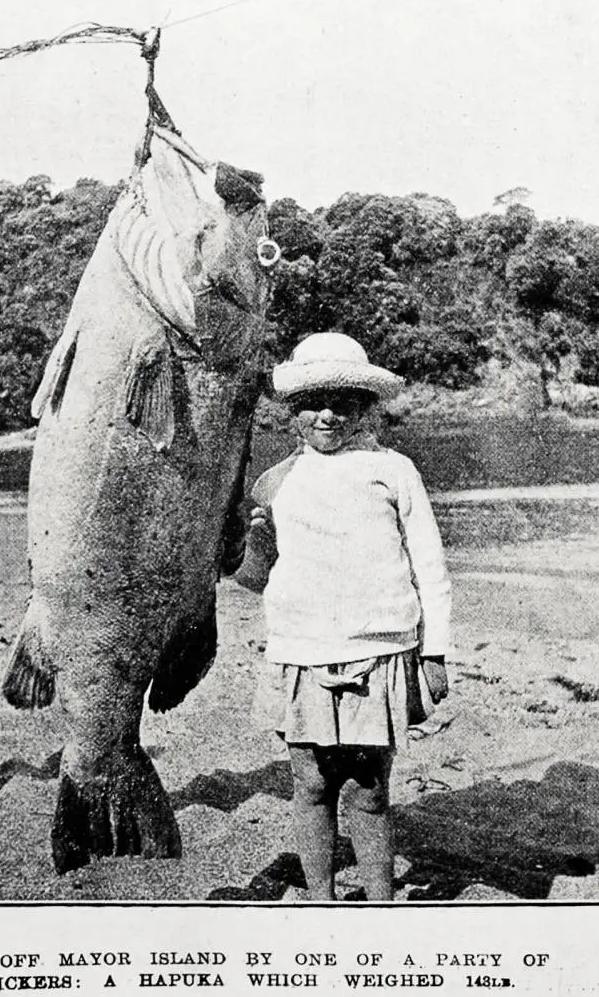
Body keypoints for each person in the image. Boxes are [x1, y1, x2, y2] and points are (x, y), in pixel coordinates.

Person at [235, 332, 452, 902]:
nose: (328, 414)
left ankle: (379, 904)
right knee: (309, 783)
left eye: (345, 402)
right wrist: (254, 546)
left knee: (370, 788)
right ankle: (321, 901)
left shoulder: (395, 469)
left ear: (366, 407)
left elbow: (429, 565)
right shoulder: (275, 482)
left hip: (379, 649)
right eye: (313, 402)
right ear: (292, 412)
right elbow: (255, 578)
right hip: (301, 651)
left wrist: (434, 652)